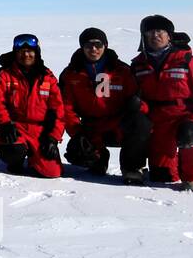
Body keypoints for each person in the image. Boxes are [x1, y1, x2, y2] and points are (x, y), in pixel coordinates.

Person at [129, 15, 193, 192]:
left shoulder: (188, 61)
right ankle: (173, 168)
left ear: (169, 35)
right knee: (163, 177)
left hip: (185, 115)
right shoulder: (138, 66)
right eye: (150, 32)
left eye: (160, 31)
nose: (155, 36)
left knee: (189, 133)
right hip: (158, 120)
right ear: (143, 37)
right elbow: (134, 96)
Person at [59, 28, 150, 181]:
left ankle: (132, 168)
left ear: (105, 46)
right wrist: (77, 133)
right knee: (78, 151)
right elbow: (66, 108)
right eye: (88, 45)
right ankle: (99, 159)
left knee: (141, 123)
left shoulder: (122, 71)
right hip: (90, 125)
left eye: (98, 45)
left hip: (118, 123)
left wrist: (136, 107)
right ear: (82, 48)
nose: (93, 49)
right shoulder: (71, 73)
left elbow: (140, 100)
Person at [0, 33, 66, 178]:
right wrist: (5, 123)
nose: (26, 55)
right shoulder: (3, 74)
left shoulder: (48, 77)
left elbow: (58, 111)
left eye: (30, 51)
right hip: (14, 127)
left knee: (53, 173)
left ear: (37, 53)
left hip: (40, 131)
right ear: (15, 53)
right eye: (21, 52)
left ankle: (34, 158)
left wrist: (53, 138)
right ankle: (15, 162)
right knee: (13, 149)